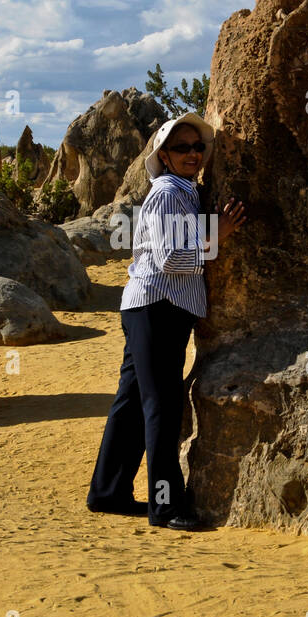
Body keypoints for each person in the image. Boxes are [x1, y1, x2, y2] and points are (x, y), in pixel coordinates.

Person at [86, 112, 246, 531]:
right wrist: (219, 236)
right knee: (162, 406)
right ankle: (167, 507)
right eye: (182, 148)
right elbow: (170, 258)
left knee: (132, 403)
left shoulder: (185, 193)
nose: (193, 154)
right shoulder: (166, 194)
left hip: (156, 307)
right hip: (157, 307)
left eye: (198, 147)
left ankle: (108, 492)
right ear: (164, 154)